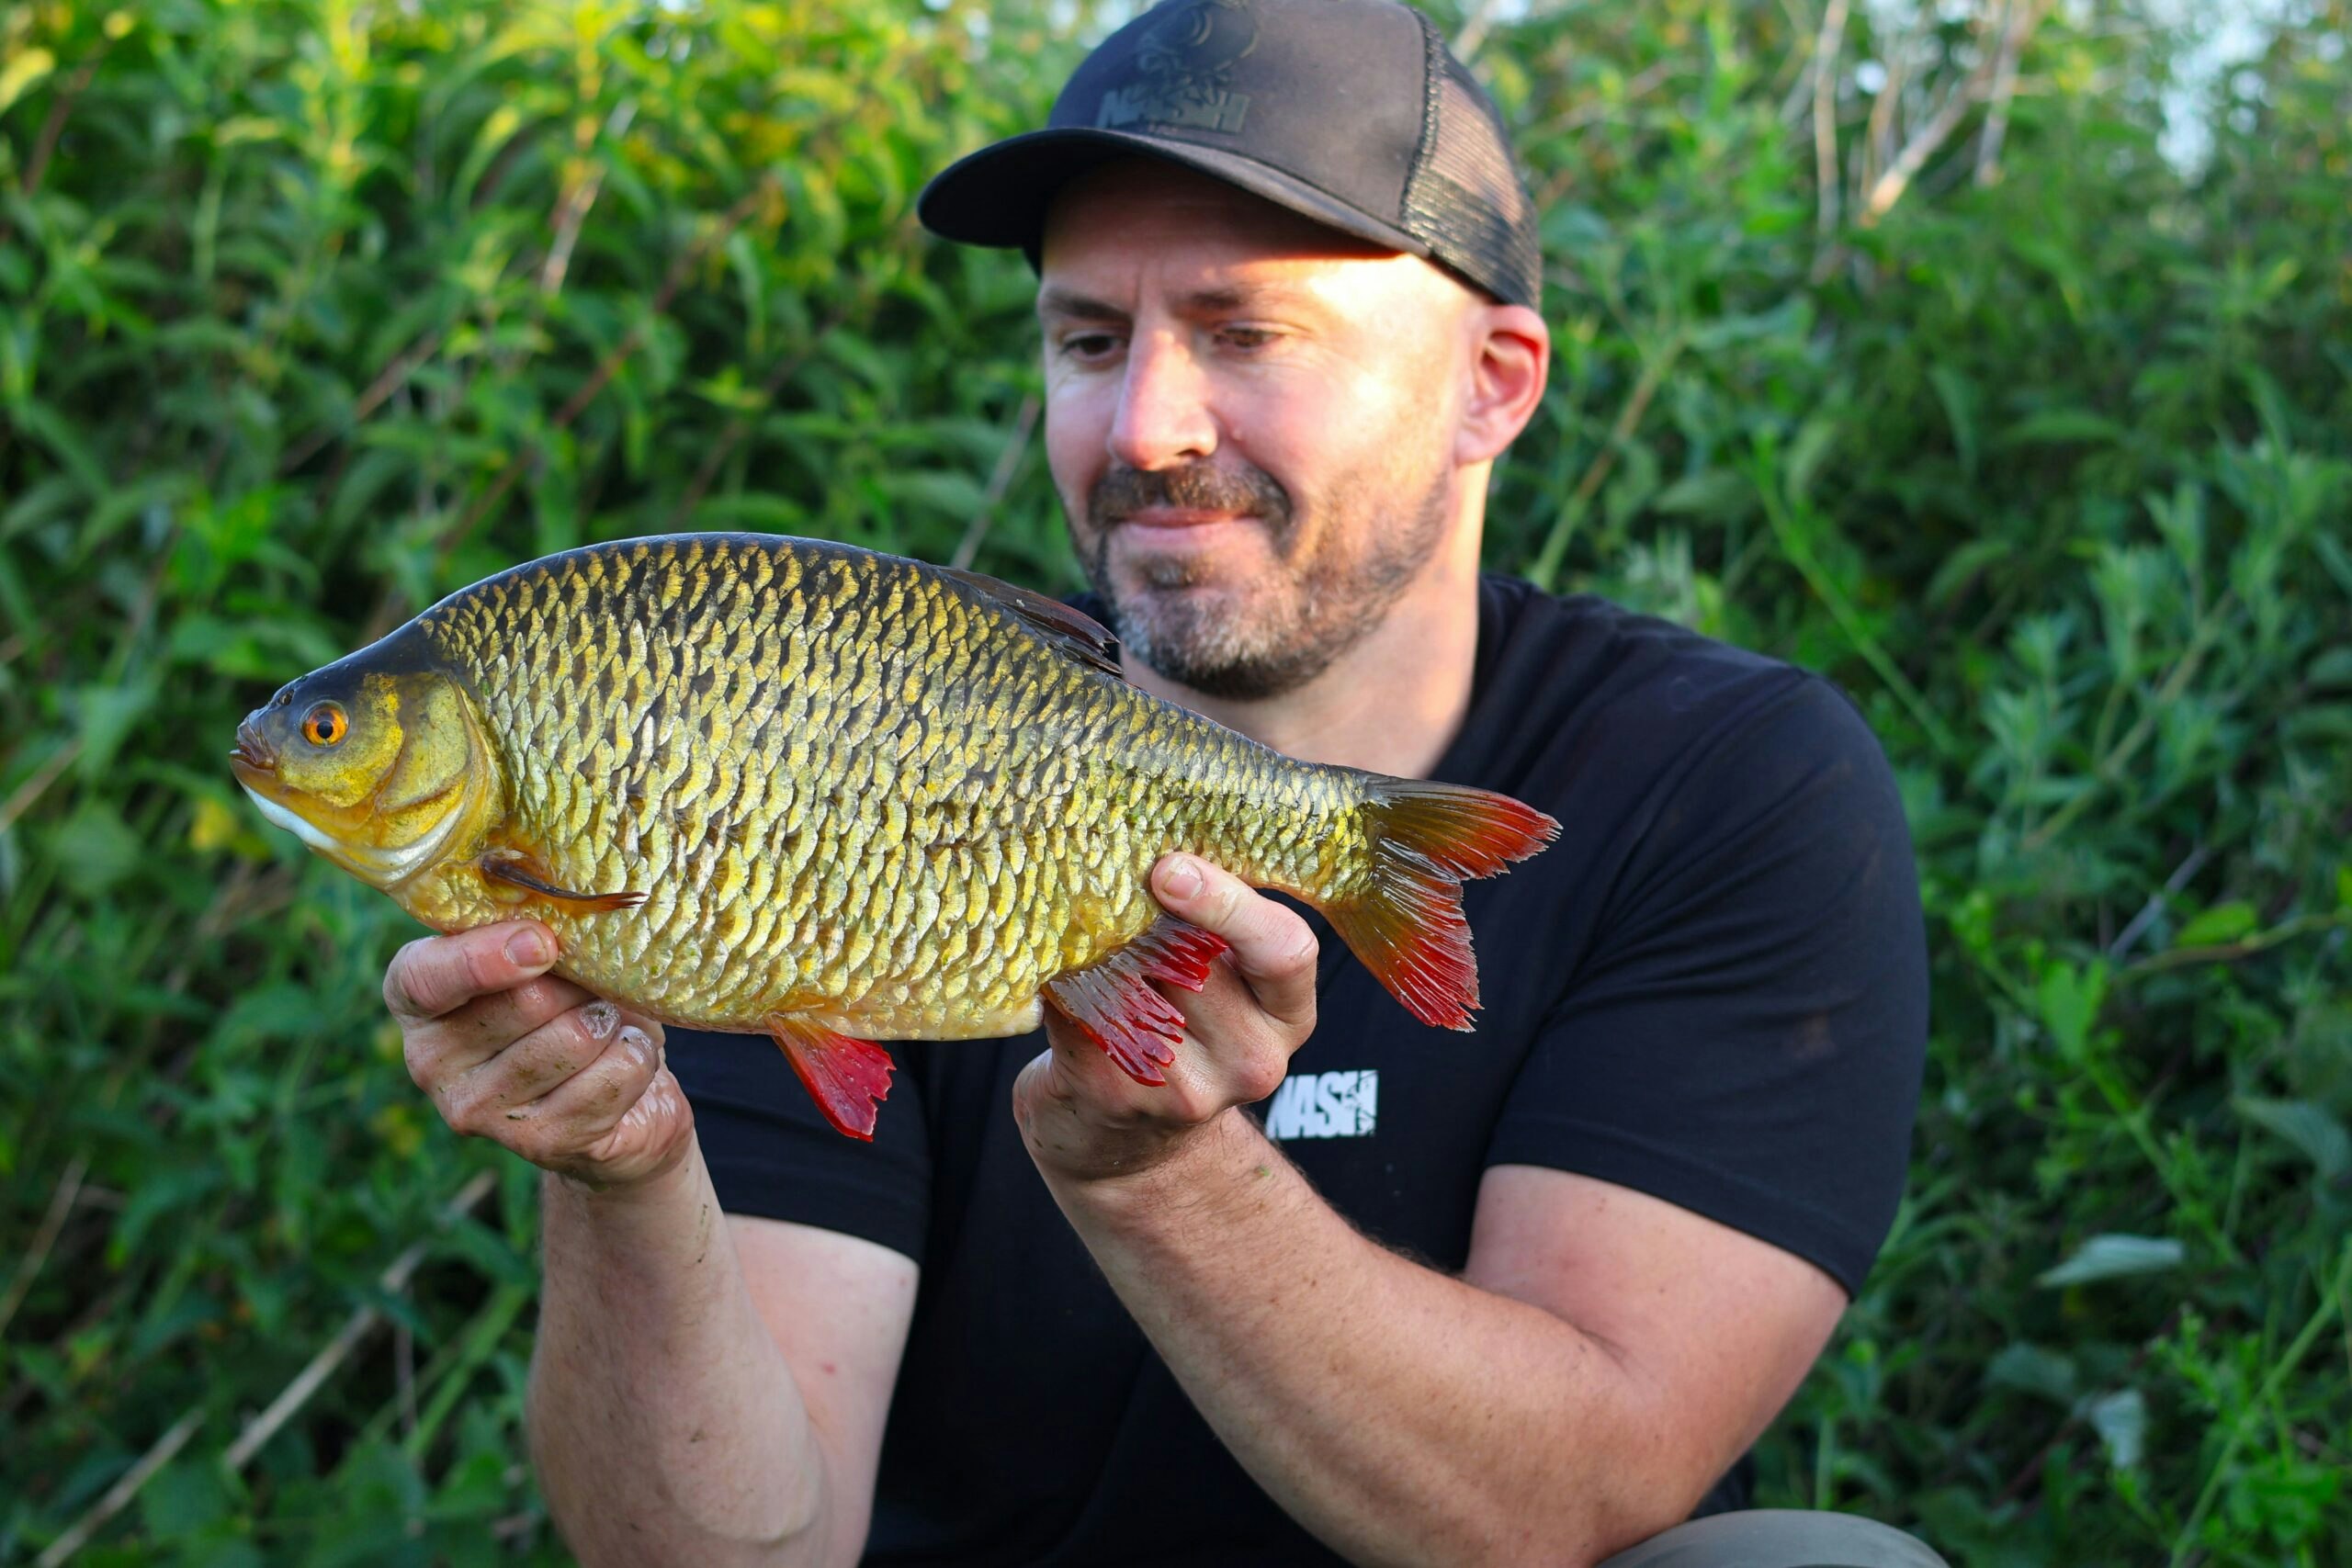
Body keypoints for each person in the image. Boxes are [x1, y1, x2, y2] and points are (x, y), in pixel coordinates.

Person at [379, 2, 1943, 1563]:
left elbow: (1565, 1502)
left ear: (1496, 382)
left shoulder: (1720, 781)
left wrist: (1159, 1172)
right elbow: (729, 1558)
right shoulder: (824, 753)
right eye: (1087, 340)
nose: (1145, 428)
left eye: (1245, 331)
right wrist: (624, 1172)